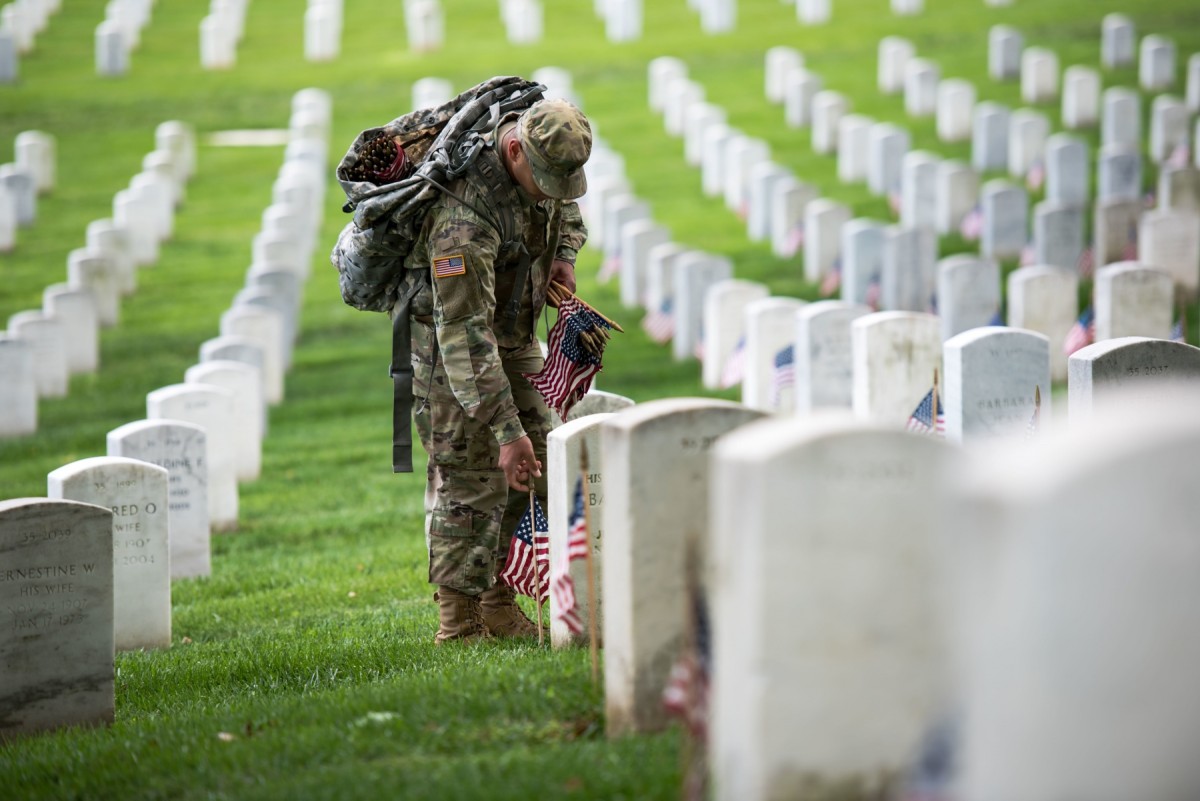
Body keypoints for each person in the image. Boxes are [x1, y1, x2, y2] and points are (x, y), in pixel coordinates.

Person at [406, 96, 592, 643]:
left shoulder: (543, 167)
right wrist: (506, 433)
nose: (552, 193)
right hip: (451, 354)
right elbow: (464, 338)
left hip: (513, 333)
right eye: (545, 182)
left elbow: (563, 207)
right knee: (470, 480)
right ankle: (459, 623)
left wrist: (564, 256)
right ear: (514, 151)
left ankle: (497, 602)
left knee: (538, 464)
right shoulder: (461, 221)